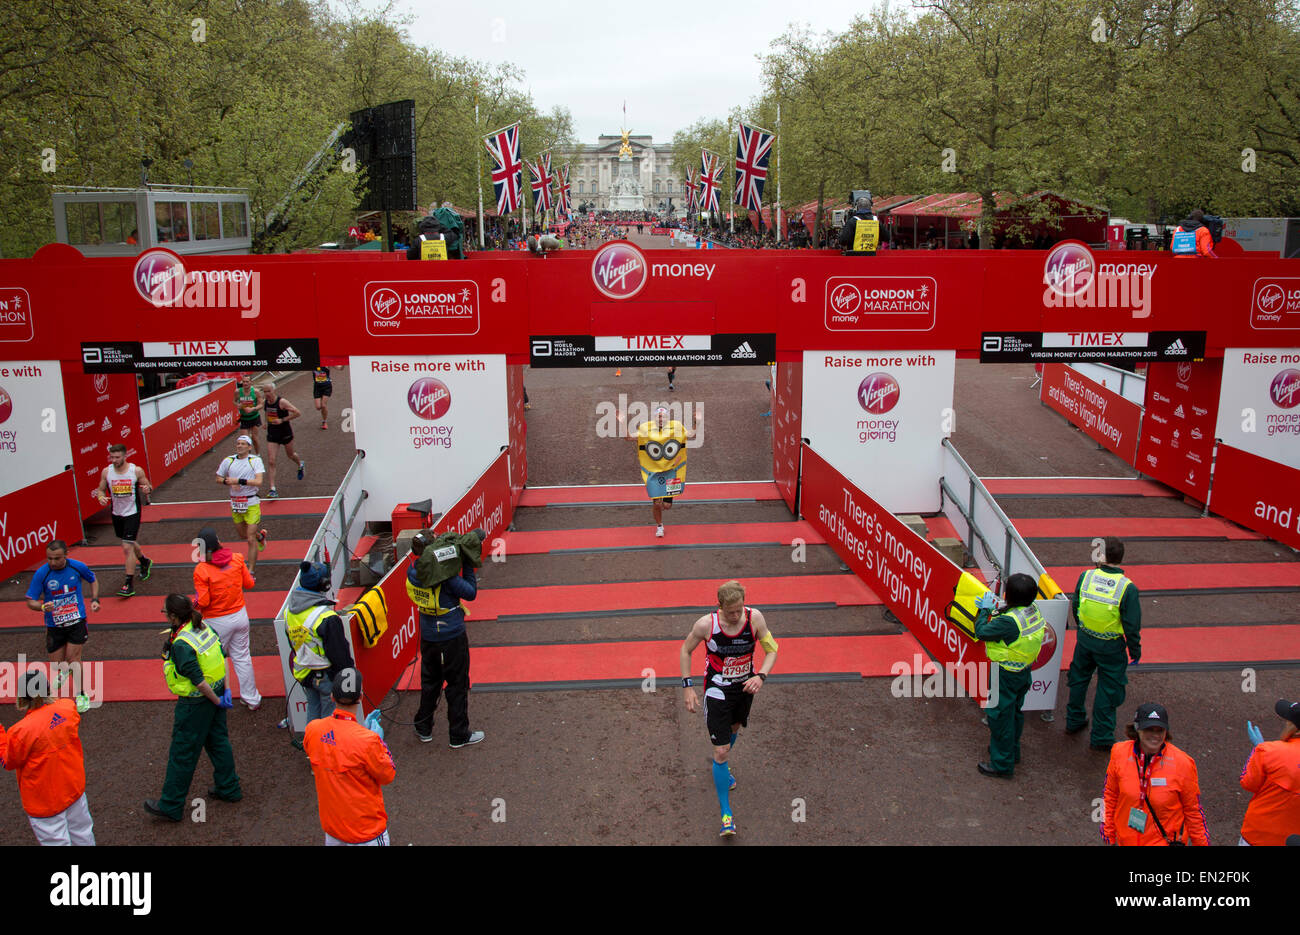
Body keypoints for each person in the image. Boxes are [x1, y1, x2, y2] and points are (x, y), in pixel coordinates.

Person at [680, 580, 777, 836]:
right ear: (719, 606)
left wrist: (761, 676)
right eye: (731, 611)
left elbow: (772, 650)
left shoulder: (754, 618)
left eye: (739, 609)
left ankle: (720, 765)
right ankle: (726, 815)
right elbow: (685, 649)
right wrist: (687, 686)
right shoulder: (706, 625)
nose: (736, 616)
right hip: (717, 690)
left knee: (734, 730)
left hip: (745, 689)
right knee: (722, 750)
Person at [144, 593, 242, 821]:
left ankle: (170, 805)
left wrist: (216, 700)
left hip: (197, 702)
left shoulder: (182, 643)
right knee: (218, 741)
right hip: (216, 691)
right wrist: (224, 692)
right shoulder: (204, 627)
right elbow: (221, 657)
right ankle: (229, 788)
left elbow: (197, 679)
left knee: (183, 752)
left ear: (172, 616)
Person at [0, 669, 96, 845]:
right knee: (83, 835)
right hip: (73, 788)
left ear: (22, 697)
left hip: (44, 800)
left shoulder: (20, 731)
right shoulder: (67, 708)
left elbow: (8, 761)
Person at [407, 530, 483, 747]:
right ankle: (458, 734)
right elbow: (470, 592)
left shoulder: (412, 570)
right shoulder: (446, 578)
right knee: (457, 683)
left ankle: (423, 727)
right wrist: (467, 562)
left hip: (429, 634)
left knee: (430, 681)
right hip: (451, 634)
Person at [303, 668, 395, 845]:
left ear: (332, 697)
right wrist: (380, 743)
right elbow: (387, 774)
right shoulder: (368, 740)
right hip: (366, 831)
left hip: (333, 829)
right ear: (360, 697)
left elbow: (326, 748)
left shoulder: (313, 729)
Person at [1065, 537, 1141, 751]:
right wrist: (1135, 650)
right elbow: (1132, 625)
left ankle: (1074, 720)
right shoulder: (1127, 588)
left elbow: (1076, 604)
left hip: (1085, 641)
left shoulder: (1086, 576)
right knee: (1108, 691)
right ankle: (1101, 736)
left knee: (1078, 680)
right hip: (1111, 647)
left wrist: (1083, 630)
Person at [1101, 703, 1209, 846]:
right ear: (1137, 729)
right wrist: (1108, 836)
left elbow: (1193, 812)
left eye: (1160, 730)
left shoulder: (1183, 763)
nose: (1155, 735)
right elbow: (1109, 795)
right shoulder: (1119, 753)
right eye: (1149, 729)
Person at [972, 573, 1046, 778]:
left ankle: (1001, 764)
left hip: (1004, 673)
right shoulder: (1032, 610)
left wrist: (984, 610)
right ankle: (1011, 751)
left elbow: (983, 632)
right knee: (1014, 713)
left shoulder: (1009, 622)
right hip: (1022, 671)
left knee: (999, 716)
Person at [193, 527, 261, 711]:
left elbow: (204, 601)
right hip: (240, 615)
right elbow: (249, 584)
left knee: (213, 661)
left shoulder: (202, 569)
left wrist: (194, 602)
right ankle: (252, 699)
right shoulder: (237, 558)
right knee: (242, 657)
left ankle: (215, 698)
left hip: (216, 621)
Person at [25, 540, 98, 705]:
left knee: (74, 659)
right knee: (57, 665)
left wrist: (95, 599)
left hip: (76, 620)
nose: (52, 562)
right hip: (54, 625)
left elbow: (93, 579)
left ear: (66, 555)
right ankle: (64, 671)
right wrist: (43, 606)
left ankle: (81, 695)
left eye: (57, 558)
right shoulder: (41, 574)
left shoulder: (77, 567)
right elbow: (31, 601)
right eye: (49, 558)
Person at [616, 405, 701, 538]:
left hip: (671, 471)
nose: (661, 418)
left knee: (666, 506)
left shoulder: (676, 427)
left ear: (668, 418)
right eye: (658, 416)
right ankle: (659, 526)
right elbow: (628, 438)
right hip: (653, 472)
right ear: (654, 418)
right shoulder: (646, 428)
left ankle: (660, 507)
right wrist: (622, 423)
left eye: (663, 416)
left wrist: (698, 422)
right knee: (656, 503)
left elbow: (691, 434)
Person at [285, 561, 355, 723]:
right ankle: (323, 747)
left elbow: (291, 642)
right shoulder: (326, 618)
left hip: (304, 672)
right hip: (326, 676)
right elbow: (340, 656)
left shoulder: (290, 611)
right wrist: (349, 683)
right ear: (324, 585)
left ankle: (311, 745)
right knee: (329, 722)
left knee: (313, 712)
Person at [93, 442, 154, 598]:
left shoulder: (136, 471)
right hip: (117, 513)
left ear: (125, 456)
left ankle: (128, 584)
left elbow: (148, 485)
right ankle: (144, 561)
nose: (114, 460)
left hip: (132, 512)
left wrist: (147, 489)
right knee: (130, 542)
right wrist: (100, 497)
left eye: (117, 457)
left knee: (126, 547)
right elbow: (100, 489)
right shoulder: (107, 472)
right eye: (112, 457)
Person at [1238, 699, 1300, 846]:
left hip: (1257, 835)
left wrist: (1258, 750)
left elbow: (1248, 783)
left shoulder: (1268, 751)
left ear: (1292, 726)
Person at [215, 435, 268, 574]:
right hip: (236, 502)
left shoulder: (255, 460)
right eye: (238, 443)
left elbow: (259, 482)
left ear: (249, 447)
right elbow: (218, 478)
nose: (240, 446)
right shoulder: (228, 460)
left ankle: (250, 570)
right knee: (243, 535)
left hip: (251, 502)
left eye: (243, 444)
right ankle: (260, 537)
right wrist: (228, 481)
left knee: (250, 539)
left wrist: (239, 481)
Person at [260, 380, 304, 497]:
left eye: (268, 391)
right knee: (271, 460)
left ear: (273, 390)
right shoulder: (265, 402)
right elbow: (266, 412)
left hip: (285, 433)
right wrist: (265, 423)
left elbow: (297, 412)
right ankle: (272, 489)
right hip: (272, 434)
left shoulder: (282, 402)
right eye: (264, 391)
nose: (267, 393)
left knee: (290, 455)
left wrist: (282, 420)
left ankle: (300, 464)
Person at [234, 374, 263, 454]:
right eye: (244, 382)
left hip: (254, 417)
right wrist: (238, 405)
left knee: (254, 438)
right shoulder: (237, 391)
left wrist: (253, 409)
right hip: (244, 418)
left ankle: (258, 455)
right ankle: (249, 456)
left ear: (251, 382)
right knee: (245, 440)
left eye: (247, 382)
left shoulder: (256, 392)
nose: (245, 383)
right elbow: (234, 401)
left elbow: (261, 404)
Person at [312, 365, 332, 430]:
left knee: (323, 405)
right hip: (317, 387)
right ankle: (324, 414)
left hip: (327, 386)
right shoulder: (313, 362)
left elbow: (340, 368)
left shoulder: (327, 361)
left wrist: (343, 364)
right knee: (318, 407)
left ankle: (324, 422)